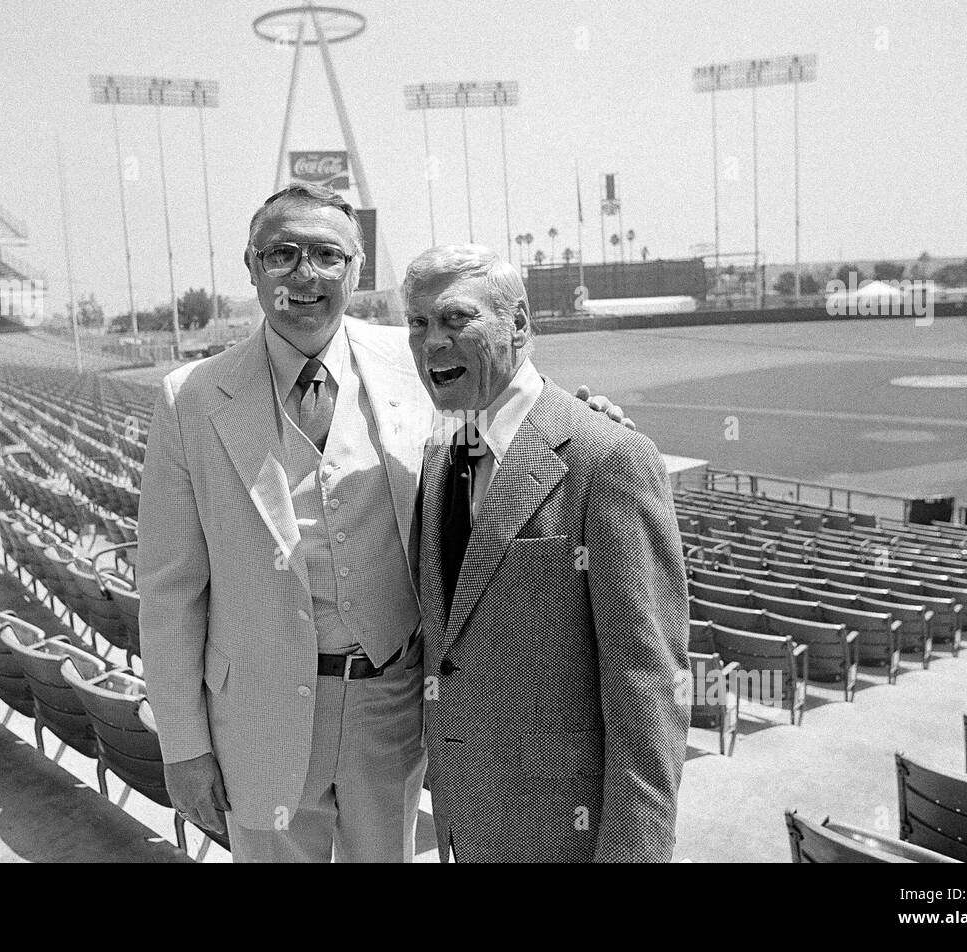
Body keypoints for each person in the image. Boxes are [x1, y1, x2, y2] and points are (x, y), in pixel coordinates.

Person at [138, 185, 631, 862]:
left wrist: (583, 417)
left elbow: (504, 414)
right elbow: (168, 590)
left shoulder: (415, 359)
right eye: (282, 254)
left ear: (356, 270)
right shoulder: (189, 397)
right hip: (256, 712)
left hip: (391, 700)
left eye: (326, 255)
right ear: (251, 267)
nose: (304, 275)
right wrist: (183, 745)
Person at [404, 243, 690, 863]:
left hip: (566, 836)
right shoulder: (439, 454)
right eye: (418, 323)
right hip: (470, 825)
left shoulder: (607, 457)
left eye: (456, 319)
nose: (432, 342)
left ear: (521, 325)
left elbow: (647, 689)